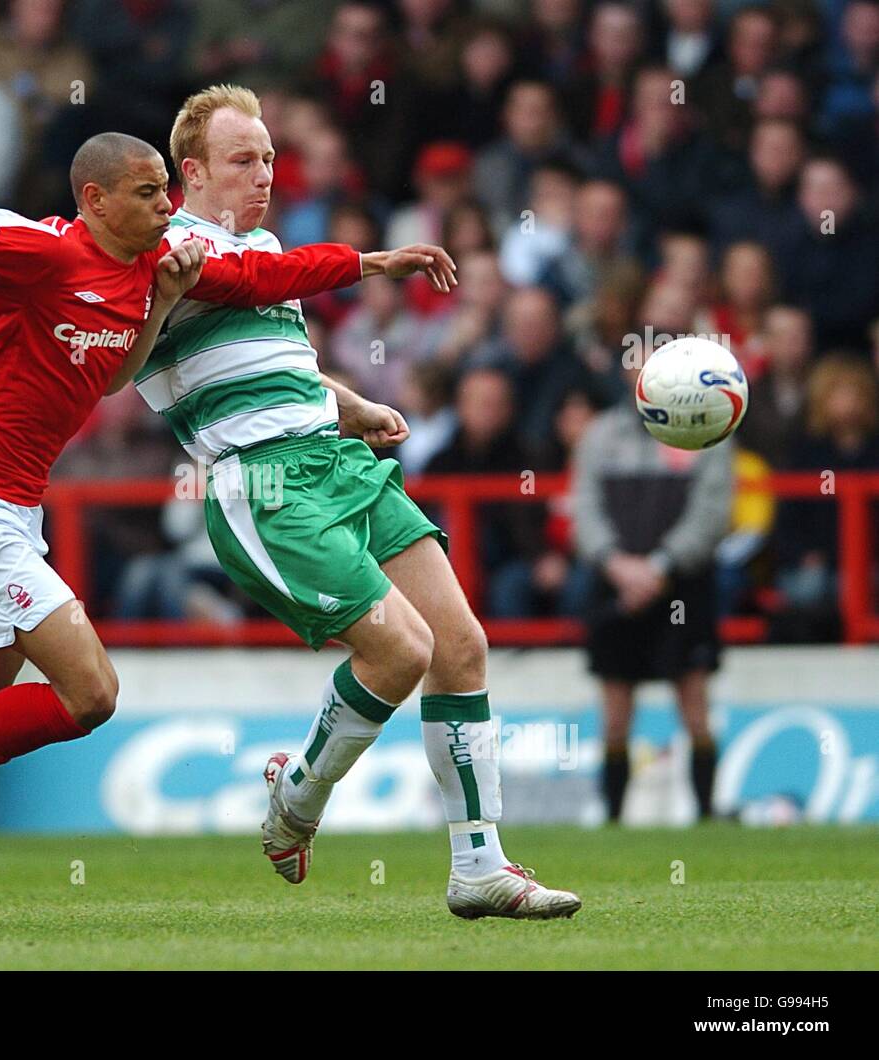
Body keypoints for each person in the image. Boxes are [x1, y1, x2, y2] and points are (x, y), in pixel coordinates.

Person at [0, 129, 453, 927]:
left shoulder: (158, 268)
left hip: (9, 504)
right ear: (96, 200)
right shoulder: (43, 250)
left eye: (166, 192)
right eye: (149, 193)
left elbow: (261, 275)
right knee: (91, 694)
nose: (167, 207)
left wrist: (373, 263)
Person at [135, 83, 579, 918]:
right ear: (190, 172)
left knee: (459, 645)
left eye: (269, 157)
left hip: (338, 460)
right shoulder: (163, 253)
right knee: (400, 651)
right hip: (262, 481)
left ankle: (479, 866)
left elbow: (279, 370)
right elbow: (132, 362)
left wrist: (352, 405)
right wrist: (370, 261)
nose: (263, 174)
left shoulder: (263, 248)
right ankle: (297, 798)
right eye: (242, 160)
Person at [572, 358, 734, 823]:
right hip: (616, 582)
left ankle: (706, 813)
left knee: (695, 700)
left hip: (684, 582)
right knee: (615, 710)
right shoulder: (602, 434)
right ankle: (614, 817)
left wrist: (661, 565)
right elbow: (585, 507)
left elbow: (713, 510)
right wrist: (615, 564)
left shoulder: (710, 430)